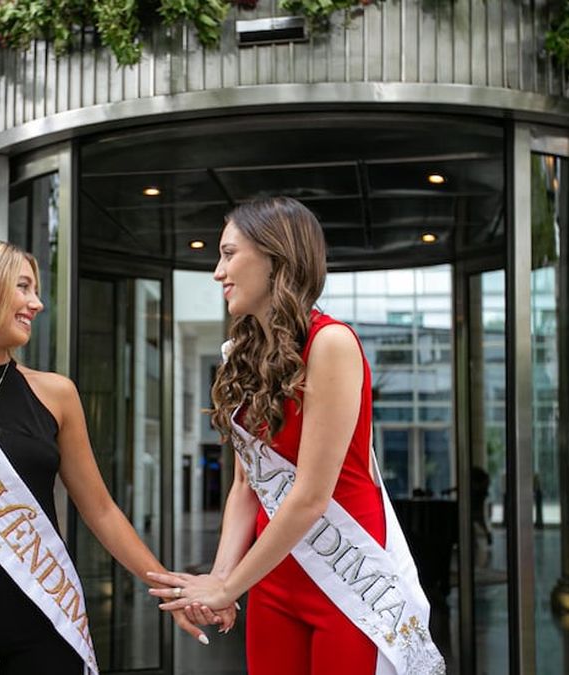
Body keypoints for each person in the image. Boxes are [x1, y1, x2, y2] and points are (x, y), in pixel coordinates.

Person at [0, 238, 207, 675]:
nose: (38, 304)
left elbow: (101, 510)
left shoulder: (56, 394)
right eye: (24, 288)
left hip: (45, 604)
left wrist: (165, 588)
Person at [148, 197, 444, 674]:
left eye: (229, 254)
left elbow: (310, 495)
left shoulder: (331, 343)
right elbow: (247, 487)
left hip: (347, 580)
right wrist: (222, 581)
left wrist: (227, 587)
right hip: (274, 579)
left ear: (275, 257)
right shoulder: (243, 356)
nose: (218, 272)